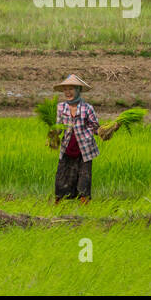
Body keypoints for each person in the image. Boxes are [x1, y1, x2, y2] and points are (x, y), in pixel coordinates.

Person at [52, 74, 100, 204]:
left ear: (78, 90)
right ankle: (57, 205)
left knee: (84, 179)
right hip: (67, 148)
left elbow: (95, 126)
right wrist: (53, 134)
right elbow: (59, 127)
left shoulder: (87, 108)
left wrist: (103, 131)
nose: (68, 92)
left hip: (85, 149)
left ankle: (84, 205)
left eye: (71, 89)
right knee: (61, 178)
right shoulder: (61, 107)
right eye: (65, 89)